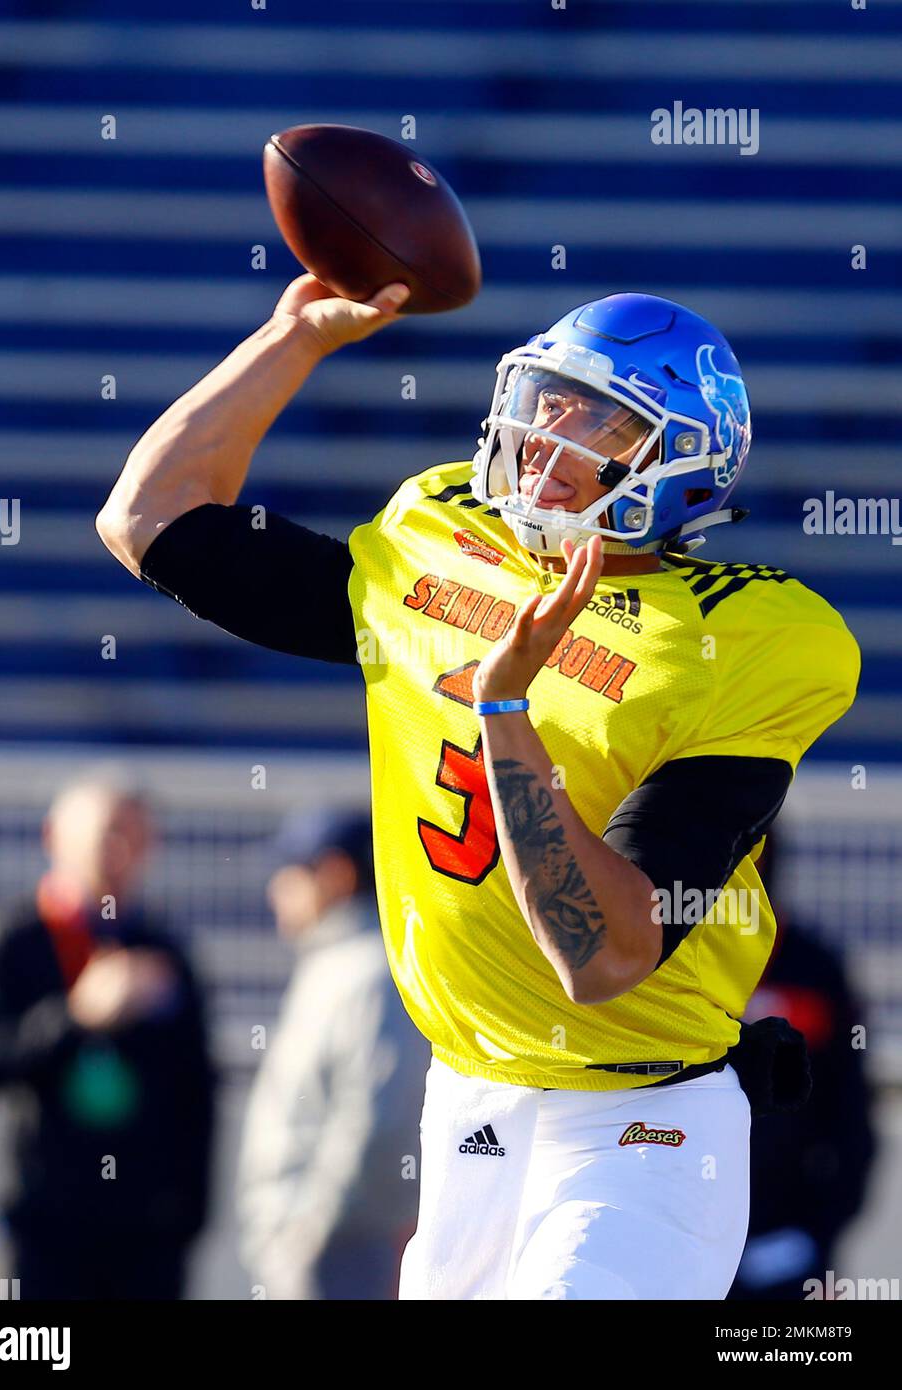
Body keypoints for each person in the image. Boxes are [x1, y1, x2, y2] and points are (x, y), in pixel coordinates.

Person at [96, 276, 860, 1300]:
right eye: (546, 398)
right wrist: (292, 341)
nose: (547, 434)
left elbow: (603, 951)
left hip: (640, 1121)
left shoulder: (743, 639)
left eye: (597, 416)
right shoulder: (436, 530)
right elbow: (152, 517)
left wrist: (505, 717)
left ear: (679, 458)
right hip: (468, 1105)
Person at [0, 773, 215, 1300]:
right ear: (55, 837)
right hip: (41, 1223)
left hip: (145, 1234)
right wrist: (76, 1018)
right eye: (106, 834)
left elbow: (197, 1091)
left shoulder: (164, 950)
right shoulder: (8, 940)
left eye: (134, 836)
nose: (120, 851)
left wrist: (190, 1216)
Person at [237, 810, 429, 1300]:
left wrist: (310, 1231)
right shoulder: (337, 963)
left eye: (292, 875)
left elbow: (378, 1121)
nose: (276, 891)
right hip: (325, 1243)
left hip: (344, 1248)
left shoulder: (369, 972)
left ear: (337, 875)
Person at [728, 830, 877, 1300]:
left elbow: (851, 1116)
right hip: (678, 1238)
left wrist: (819, 1236)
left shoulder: (816, 970)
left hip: (788, 1255)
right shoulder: (656, 971)